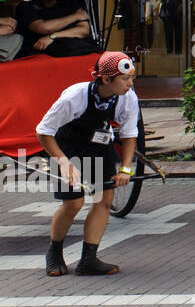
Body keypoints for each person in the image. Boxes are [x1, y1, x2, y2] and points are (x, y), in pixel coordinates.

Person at [35, 52, 140, 276]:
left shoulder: (128, 97)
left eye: (131, 78)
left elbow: (130, 134)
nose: (130, 84)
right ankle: (54, 252)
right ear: (106, 79)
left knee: (104, 199)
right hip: (68, 147)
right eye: (124, 79)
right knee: (73, 204)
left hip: (100, 145)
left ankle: (88, 259)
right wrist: (62, 162)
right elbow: (43, 131)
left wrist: (125, 168)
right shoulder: (75, 96)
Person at [16, 0, 97, 57]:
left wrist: (53, 36)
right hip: (41, 53)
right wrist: (75, 17)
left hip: (76, 50)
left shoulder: (71, 4)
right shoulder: (26, 7)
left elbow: (84, 30)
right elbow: (43, 28)